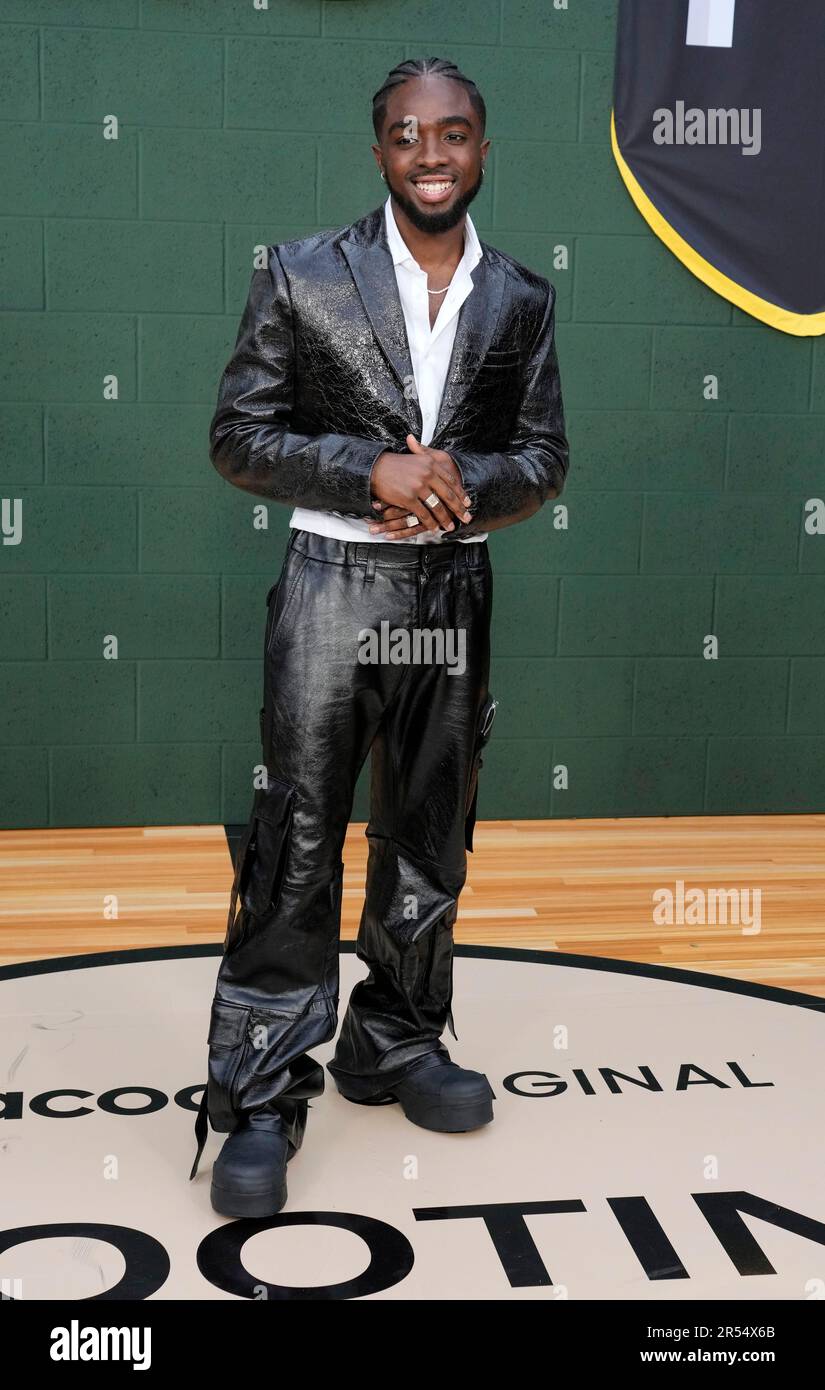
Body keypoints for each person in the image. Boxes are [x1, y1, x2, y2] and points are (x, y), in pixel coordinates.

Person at [189, 56, 569, 1218]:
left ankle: (394, 1042)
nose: (432, 155)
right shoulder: (302, 272)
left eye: (453, 134)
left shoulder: (521, 296)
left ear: (483, 148)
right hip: (332, 590)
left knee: (428, 829)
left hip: (452, 594)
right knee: (297, 836)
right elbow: (238, 435)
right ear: (380, 154)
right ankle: (260, 1090)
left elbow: (546, 458)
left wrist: (462, 484)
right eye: (408, 136)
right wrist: (371, 473)